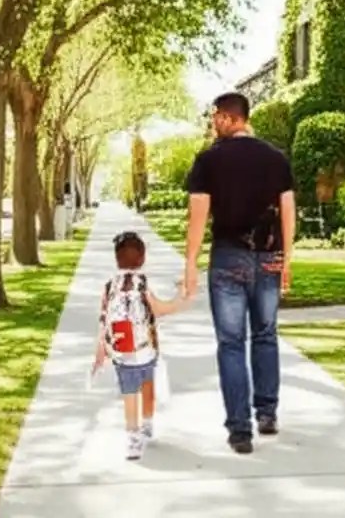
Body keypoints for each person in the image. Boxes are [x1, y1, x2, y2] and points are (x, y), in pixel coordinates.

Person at [183, 92, 295, 455]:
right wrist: (287, 259)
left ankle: (240, 431)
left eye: (216, 116)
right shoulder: (276, 158)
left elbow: (198, 216)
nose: (213, 122)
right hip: (268, 257)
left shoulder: (209, 160)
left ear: (230, 118)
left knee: (231, 343)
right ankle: (267, 413)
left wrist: (191, 264)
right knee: (265, 333)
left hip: (229, 256)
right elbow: (287, 209)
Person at [92, 231, 192, 460]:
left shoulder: (109, 286)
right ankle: (147, 424)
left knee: (129, 394)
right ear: (142, 259)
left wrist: (101, 351)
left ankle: (132, 438)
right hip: (145, 349)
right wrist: (180, 298)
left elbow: (103, 318)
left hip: (122, 352)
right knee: (148, 386)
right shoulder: (141, 284)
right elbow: (158, 310)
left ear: (117, 259)